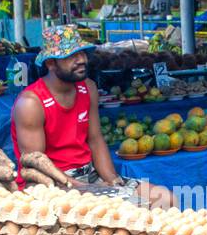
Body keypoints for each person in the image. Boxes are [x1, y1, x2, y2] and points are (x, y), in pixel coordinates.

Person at [12, 24, 172, 208]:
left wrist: (113, 180)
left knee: (166, 199)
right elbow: (37, 166)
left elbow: (95, 140)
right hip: (50, 184)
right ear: (51, 63)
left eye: (82, 53)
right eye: (72, 55)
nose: (82, 60)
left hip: (88, 175)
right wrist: (85, 188)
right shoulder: (31, 103)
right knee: (124, 211)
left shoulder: (88, 88)